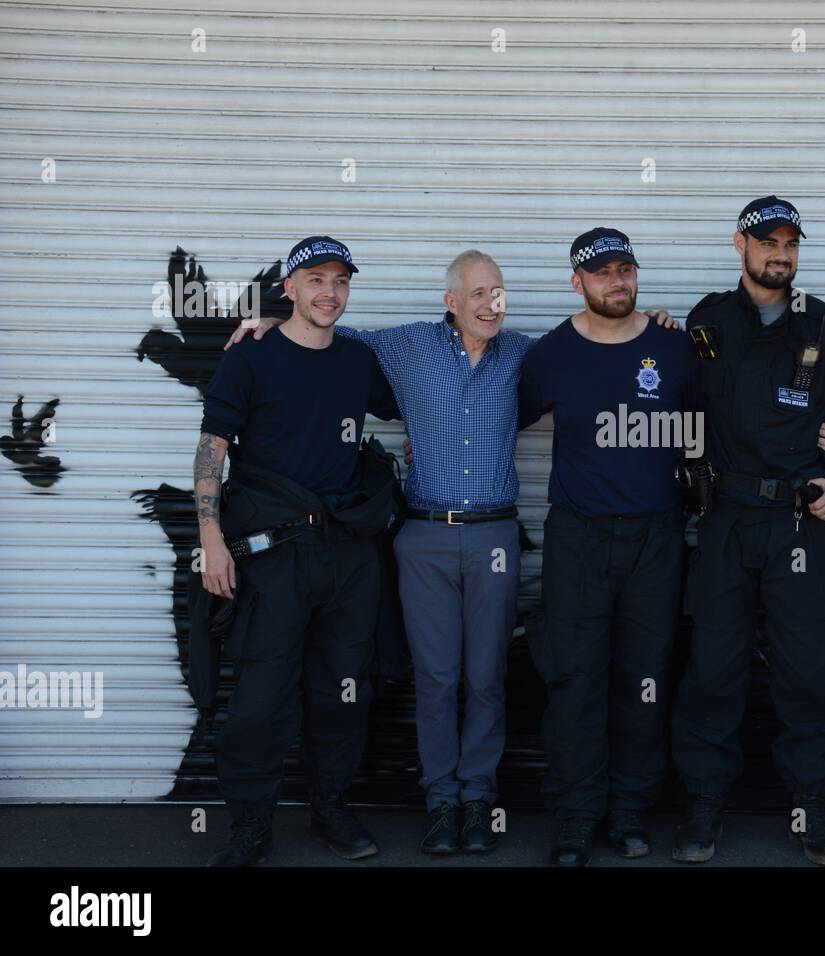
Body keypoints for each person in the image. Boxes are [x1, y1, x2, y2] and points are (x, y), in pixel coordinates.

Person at [228, 249, 681, 857]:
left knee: (488, 679)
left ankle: (479, 801)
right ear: (451, 302)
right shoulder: (407, 346)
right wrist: (261, 326)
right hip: (424, 538)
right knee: (437, 680)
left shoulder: (527, 353)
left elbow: (599, 345)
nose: (491, 303)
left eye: (498, 292)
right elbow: (324, 330)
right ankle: (441, 803)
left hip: (494, 535)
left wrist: (649, 319)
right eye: (477, 294)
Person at [519, 228, 825, 867]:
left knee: (645, 678)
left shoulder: (678, 346)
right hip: (577, 536)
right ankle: (578, 816)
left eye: (625, 270)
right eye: (602, 272)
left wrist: (823, 429)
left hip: (658, 536)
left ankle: (631, 811)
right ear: (576, 281)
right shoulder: (549, 354)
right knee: (575, 679)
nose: (617, 282)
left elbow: (742, 412)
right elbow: (493, 410)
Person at [669, 197, 825, 865]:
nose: (780, 253)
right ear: (739, 245)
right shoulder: (706, 324)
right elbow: (678, 402)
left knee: (805, 674)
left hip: (798, 528)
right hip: (722, 523)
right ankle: (704, 802)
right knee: (712, 671)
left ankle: (811, 806)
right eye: (767, 241)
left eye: (790, 243)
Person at [196, 236, 401, 866]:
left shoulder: (358, 362)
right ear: (289, 288)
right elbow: (211, 453)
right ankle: (251, 827)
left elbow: (416, 399)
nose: (329, 292)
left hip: (345, 555)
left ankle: (331, 808)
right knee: (261, 696)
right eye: (316, 280)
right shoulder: (250, 359)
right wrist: (210, 541)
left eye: (340, 281)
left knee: (343, 688)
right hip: (270, 556)